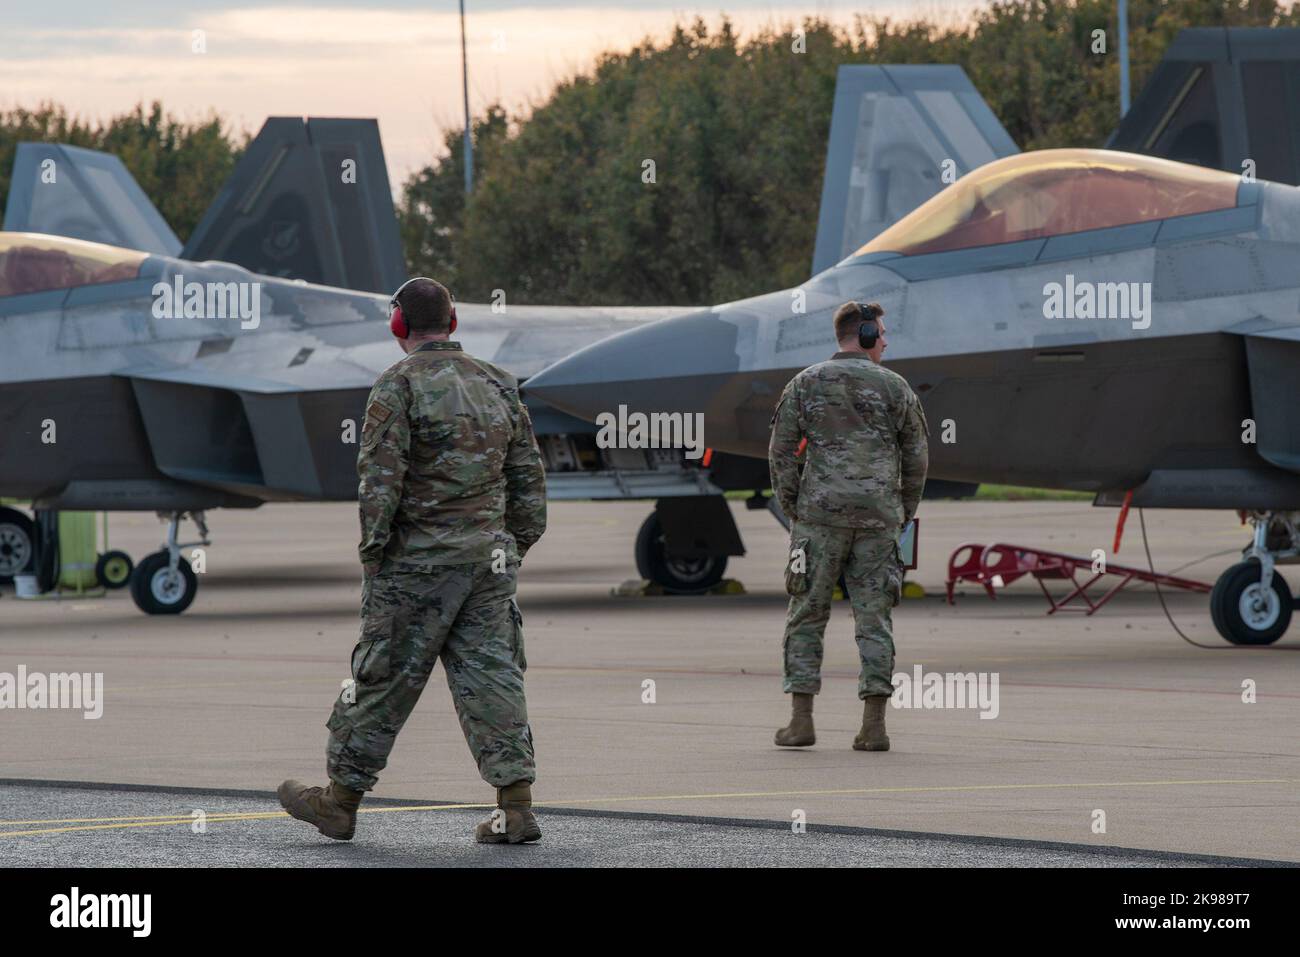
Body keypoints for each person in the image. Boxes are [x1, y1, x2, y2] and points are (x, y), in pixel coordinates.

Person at [278, 277, 548, 844]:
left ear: (398, 325)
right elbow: (528, 480)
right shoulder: (499, 383)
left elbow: (380, 482)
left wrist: (375, 555)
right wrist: (512, 545)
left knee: (381, 679)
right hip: (487, 563)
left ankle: (340, 800)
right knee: (493, 676)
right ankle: (515, 807)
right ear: (454, 323)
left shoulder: (396, 386)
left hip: (416, 565)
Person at [768, 301, 928, 751]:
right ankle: (873, 726)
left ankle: (801, 723)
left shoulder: (804, 383)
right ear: (866, 335)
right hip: (879, 520)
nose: (886, 340)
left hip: (819, 519)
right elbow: (917, 457)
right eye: (882, 332)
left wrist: (796, 508)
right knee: (874, 619)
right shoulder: (896, 387)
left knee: (806, 615)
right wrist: (902, 512)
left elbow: (780, 453)